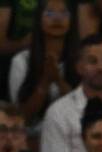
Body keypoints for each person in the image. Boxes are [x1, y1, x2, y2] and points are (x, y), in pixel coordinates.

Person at [10, 0, 77, 129]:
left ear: (72, 21)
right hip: (31, 137)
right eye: (50, 13)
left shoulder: (81, 60)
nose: (57, 18)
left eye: (63, 13)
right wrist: (45, 81)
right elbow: (21, 117)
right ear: (38, 19)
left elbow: (81, 110)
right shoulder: (21, 61)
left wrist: (58, 80)